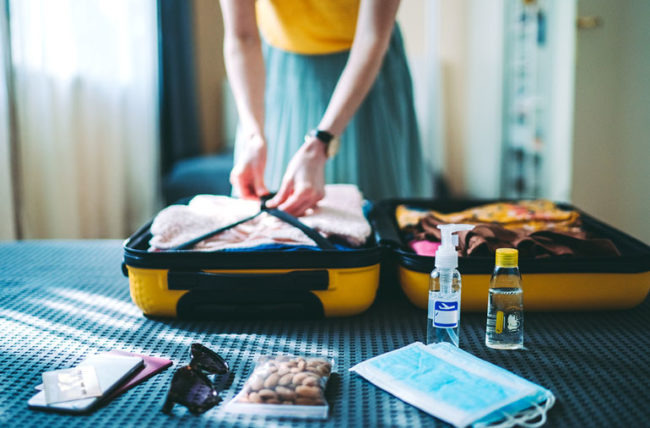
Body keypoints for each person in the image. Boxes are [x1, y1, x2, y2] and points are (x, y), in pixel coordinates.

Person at [220, 0, 431, 216]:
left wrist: (322, 142)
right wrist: (254, 135)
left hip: (367, 69)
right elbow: (242, 36)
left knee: (375, 213)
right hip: (280, 72)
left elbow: (373, 36)